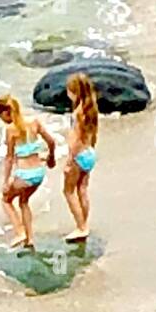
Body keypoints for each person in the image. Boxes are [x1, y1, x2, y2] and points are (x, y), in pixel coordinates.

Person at [0, 94, 56, 249]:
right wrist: (50, 158)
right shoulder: (34, 122)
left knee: (6, 200)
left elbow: (9, 158)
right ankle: (29, 238)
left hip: (25, 175)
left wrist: (6, 181)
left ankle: (20, 232)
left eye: (1, 116)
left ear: (6, 113)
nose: (3, 120)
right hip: (39, 174)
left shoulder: (11, 130)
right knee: (23, 202)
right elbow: (51, 141)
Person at [63, 71, 98, 242]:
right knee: (82, 190)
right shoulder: (91, 109)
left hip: (79, 155)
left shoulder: (78, 113)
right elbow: (92, 136)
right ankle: (84, 223)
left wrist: (69, 160)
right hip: (90, 153)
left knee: (68, 191)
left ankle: (81, 227)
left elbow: (75, 140)